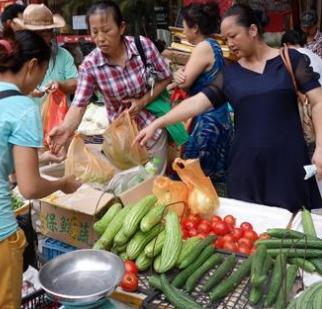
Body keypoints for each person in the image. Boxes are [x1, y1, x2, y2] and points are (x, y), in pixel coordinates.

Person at [135, 4, 322, 213]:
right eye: (226, 39)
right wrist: (159, 122)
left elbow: (318, 101)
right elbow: (197, 102)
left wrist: (321, 147)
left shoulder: (290, 60)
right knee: (250, 229)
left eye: (233, 36)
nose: (230, 44)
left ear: (252, 30)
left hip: (288, 164)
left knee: (292, 231)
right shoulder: (230, 74)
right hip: (246, 168)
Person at [0, 30, 80, 308]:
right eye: (43, 72)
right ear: (33, 66)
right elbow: (29, 187)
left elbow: (7, 166)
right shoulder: (22, 107)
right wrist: (63, 183)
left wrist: (43, 158)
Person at [48, 1, 171, 172]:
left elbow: (165, 78)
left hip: (152, 130)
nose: (100, 38)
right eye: (94, 32)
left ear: (121, 28)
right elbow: (79, 104)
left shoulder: (143, 46)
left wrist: (142, 102)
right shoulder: (90, 65)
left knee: (155, 187)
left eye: (106, 31)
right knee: (128, 190)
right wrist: (65, 128)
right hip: (121, 139)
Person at [171, 3, 233, 186]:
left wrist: (175, 74)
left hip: (207, 120)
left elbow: (185, 81)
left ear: (195, 27)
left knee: (195, 176)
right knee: (211, 179)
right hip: (217, 115)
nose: (183, 31)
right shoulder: (213, 45)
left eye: (184, 26)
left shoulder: (203, 47)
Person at [14, 4, 78, 103]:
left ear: (52, 33)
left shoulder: (64, 55)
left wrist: (60, 85)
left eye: (44, 34)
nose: (38, 39)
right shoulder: (15, 56)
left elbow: (76, 82)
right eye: (35, 34)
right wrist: (26, 89)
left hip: (59, 116)